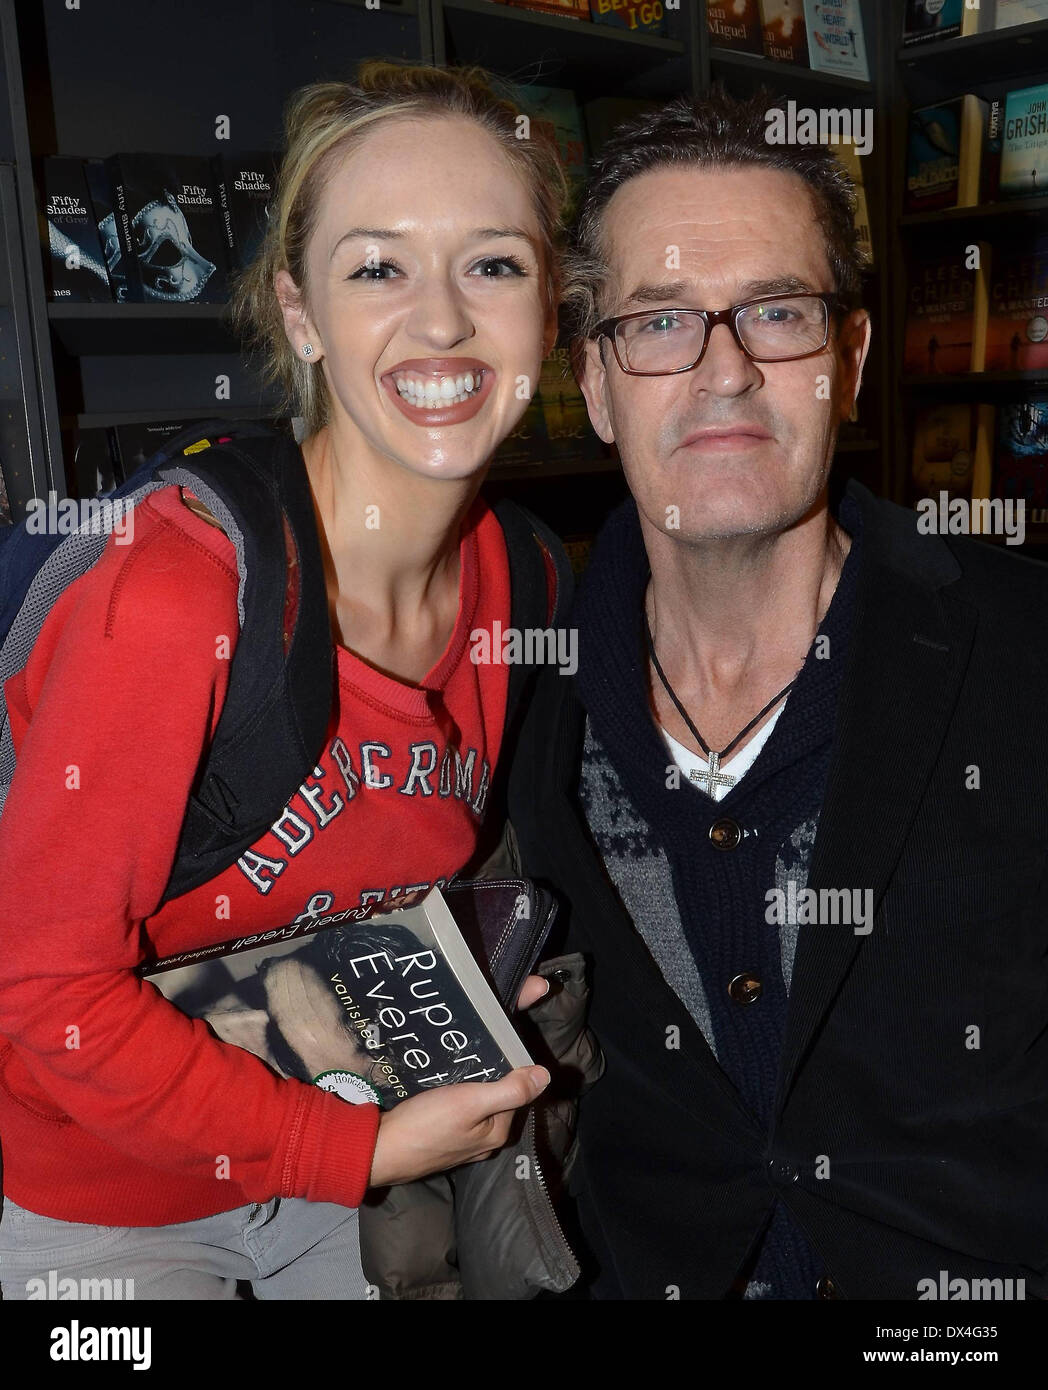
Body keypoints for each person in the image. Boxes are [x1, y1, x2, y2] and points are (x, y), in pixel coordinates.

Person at [0, 61, 575, 1300]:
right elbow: (40, 993)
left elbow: (371, 876)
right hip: (103, 1206)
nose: (441, 323)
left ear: (552, 311)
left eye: (494, 263)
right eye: (377, 268)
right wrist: (353, 1143)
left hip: (343, 1175)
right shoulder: (172, 597)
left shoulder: (520, 580)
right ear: (299, 314)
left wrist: (457, 979)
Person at [506, 85, 1048, 1300]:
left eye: (778, 312)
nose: (725, 371)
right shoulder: (520, 691)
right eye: (657, 323)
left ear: (848, 362)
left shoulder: (1023, 651)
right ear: (593, 383)